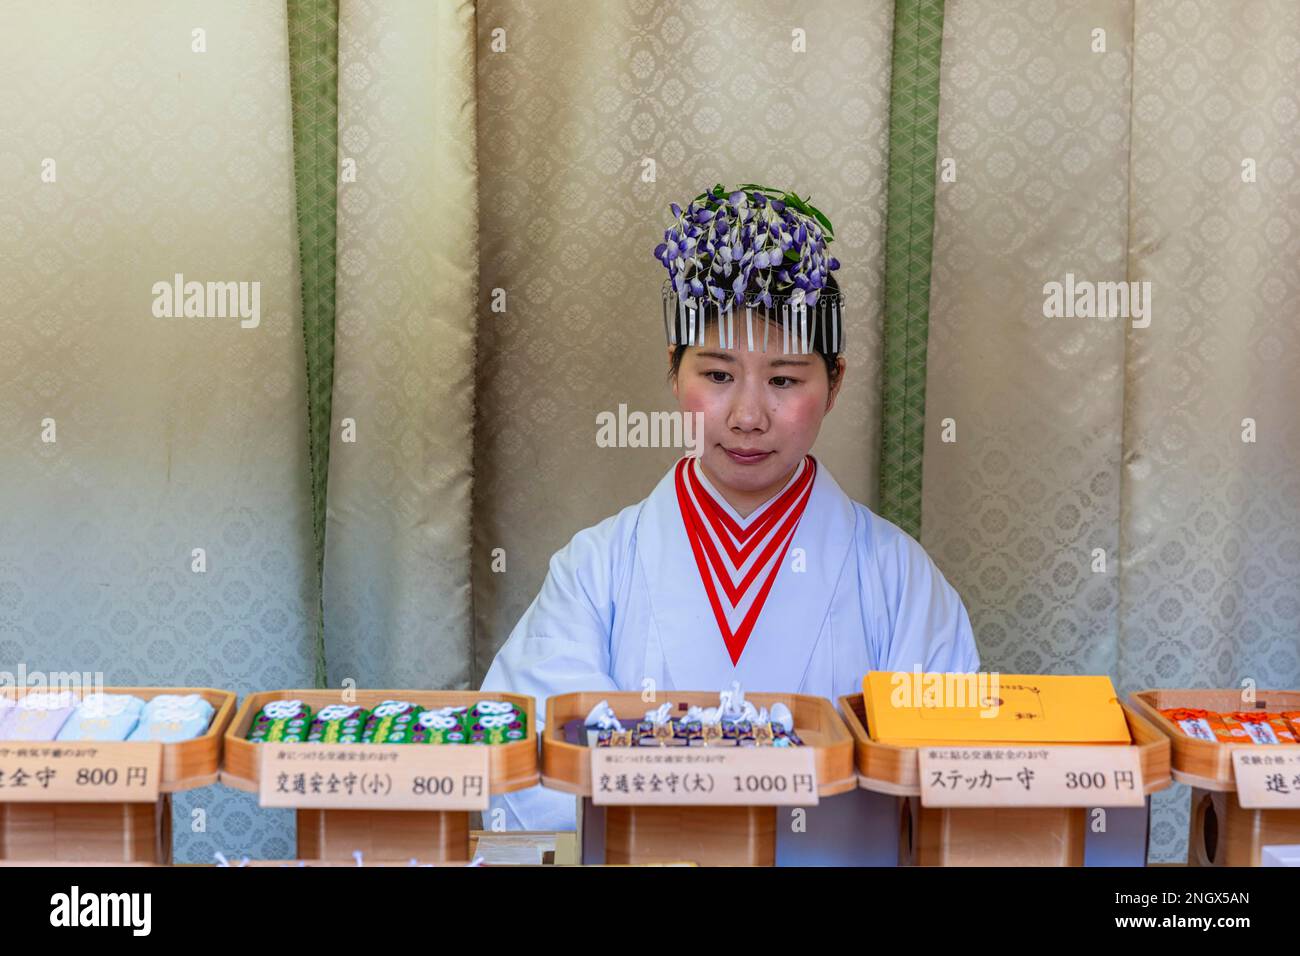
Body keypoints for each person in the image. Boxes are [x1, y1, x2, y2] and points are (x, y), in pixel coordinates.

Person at [481, 183, 978, 831]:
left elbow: (950, 779)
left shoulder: (898, 578)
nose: (748, 417)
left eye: (784, 380)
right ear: (673, 369)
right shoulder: (597, 568)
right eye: (716, 376)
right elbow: (527, 762)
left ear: (834, 384)